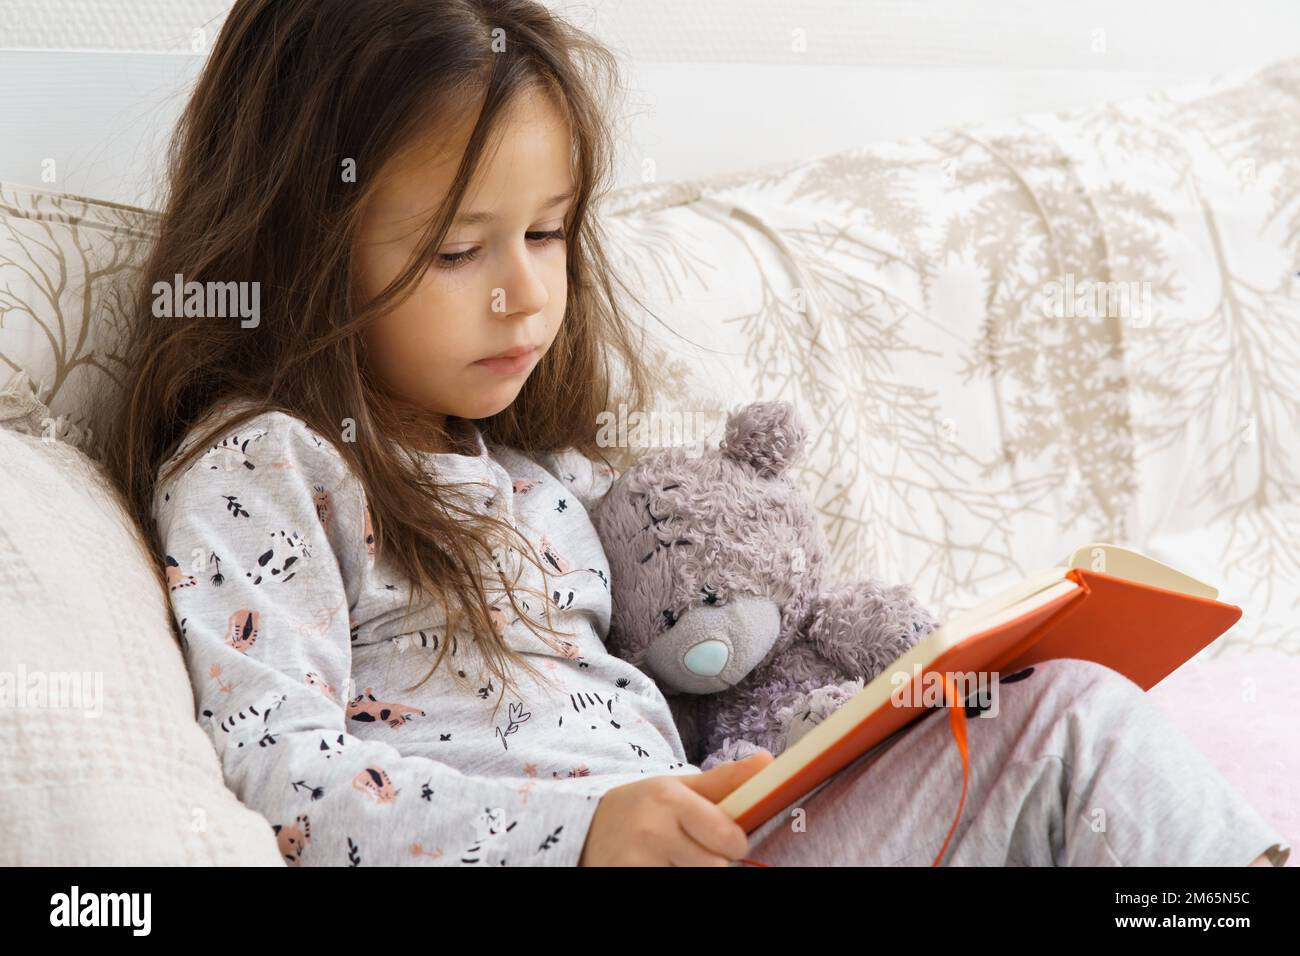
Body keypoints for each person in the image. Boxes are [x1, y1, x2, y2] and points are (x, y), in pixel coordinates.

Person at [104, 0, 1290, 868]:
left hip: (722, 830)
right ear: (300, 240)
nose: (523, 293)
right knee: (1062, 727)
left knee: (1041, 716)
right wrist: (582, 831)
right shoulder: (268, 463)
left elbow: (718, 652)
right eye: (457, 250)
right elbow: (281, 770)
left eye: (550, 233)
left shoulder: (542, 476)